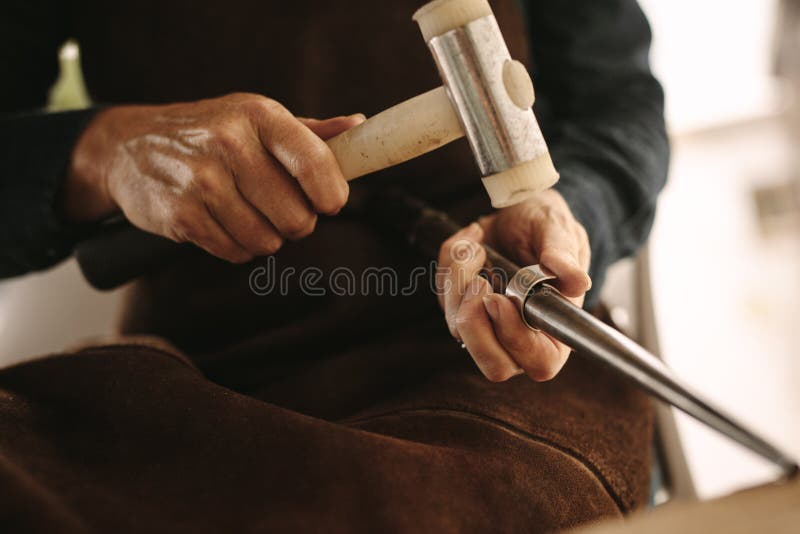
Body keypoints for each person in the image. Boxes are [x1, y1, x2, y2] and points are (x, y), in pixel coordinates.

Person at [0, 1, 668, 532]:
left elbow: (620, 111)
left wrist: (567, 210)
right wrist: (97, 152)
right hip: (198, 363)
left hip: (484, 361)